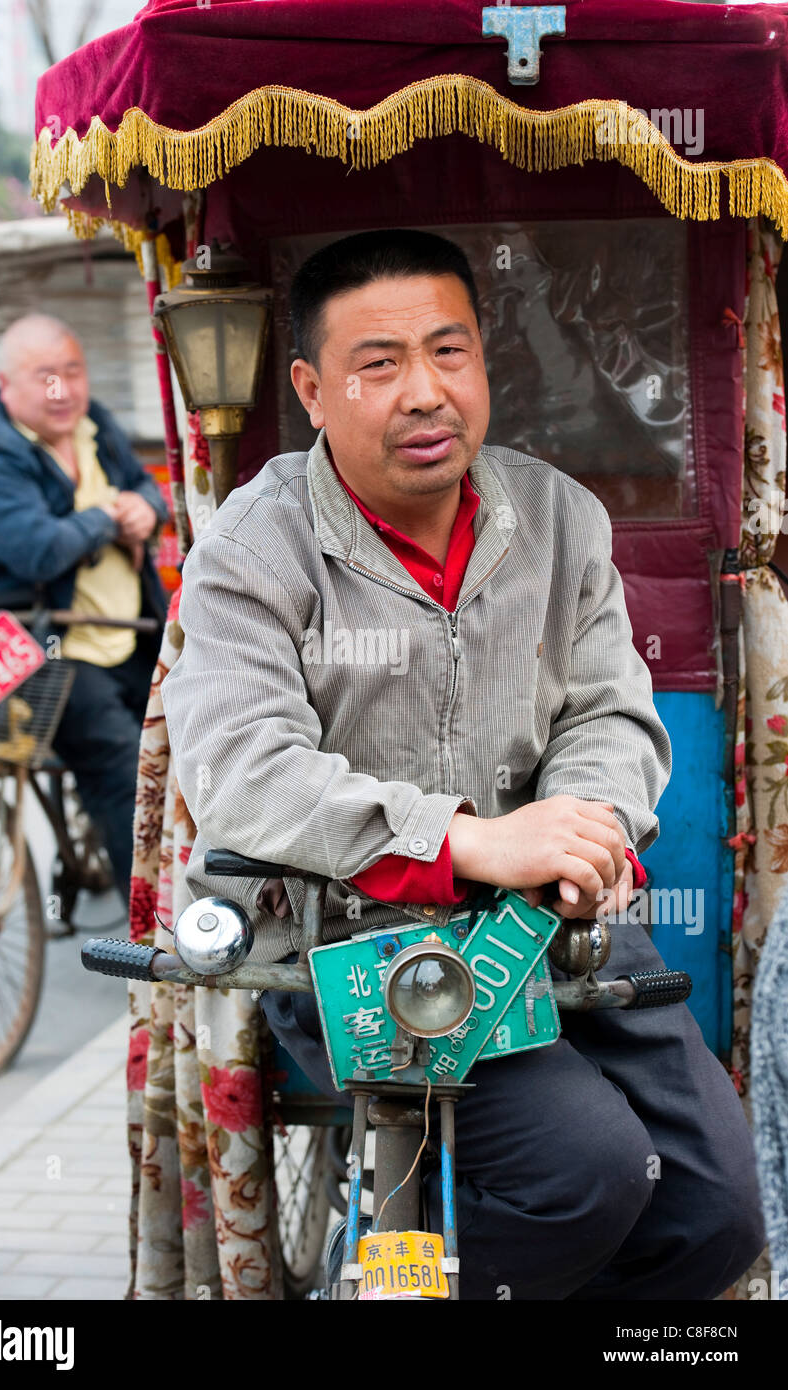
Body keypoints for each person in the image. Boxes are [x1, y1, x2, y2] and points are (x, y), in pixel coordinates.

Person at [160, 229, 765, 1299]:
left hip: (551, 927)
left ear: (484, 361)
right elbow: (244, 769)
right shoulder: (253, 547)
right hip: (343, 940)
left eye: (450, 352)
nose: (424, 392)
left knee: (719, 1209)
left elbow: (612, 714)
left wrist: (590, 821)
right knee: (584, 1172)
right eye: (378, 364)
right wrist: (466, 839)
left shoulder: (557, 517)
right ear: (310, 387)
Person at [0, 315, 170, 908]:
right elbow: (40, 550)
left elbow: (146, 490)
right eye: (45, 377)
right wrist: (108, 517)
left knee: (198, 742)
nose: (63, 390)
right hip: (46, 649)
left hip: (131, 633)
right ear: (6, 386)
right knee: (127, 772)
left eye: (73, 372)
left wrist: (146, 509)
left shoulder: (93, 421)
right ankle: (153, 929)